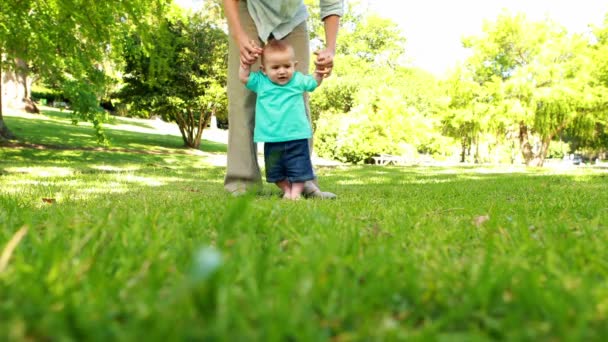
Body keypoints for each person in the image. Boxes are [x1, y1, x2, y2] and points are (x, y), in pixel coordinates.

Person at [223, 0, 343, 198]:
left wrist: (330, 48)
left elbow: (332, 3)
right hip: (248, 7)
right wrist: (239, 35)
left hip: (292, 15)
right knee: (242, 96)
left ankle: (302, 181)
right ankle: (242, 182)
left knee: (296, 91)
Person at [239, 39, 325, 200]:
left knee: (300, 169)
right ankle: (286, 190)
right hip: (272, 138)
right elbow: (243, 77)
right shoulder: (261, 81)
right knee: (275, 172)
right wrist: (245, 64)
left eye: (287, 66)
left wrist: (319, 71)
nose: (282, 71)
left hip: (297, 136)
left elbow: (314, 82)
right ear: (264, 70)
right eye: (275, 67)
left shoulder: (298, 80)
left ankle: (296, 193)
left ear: (295, 65)